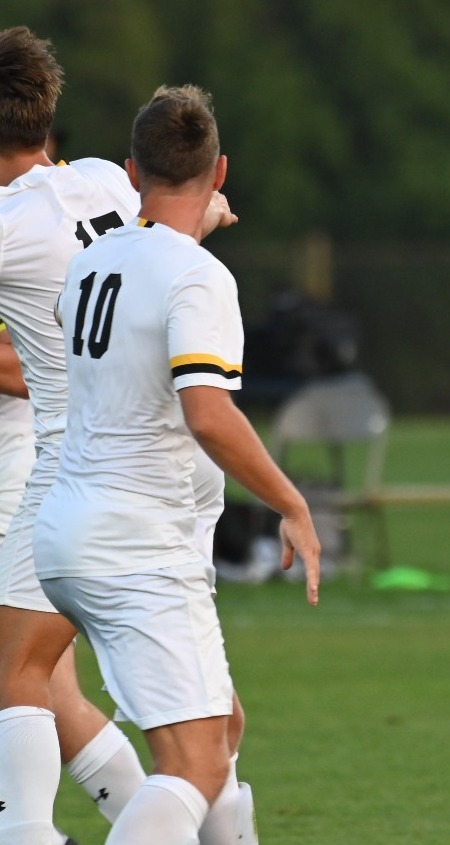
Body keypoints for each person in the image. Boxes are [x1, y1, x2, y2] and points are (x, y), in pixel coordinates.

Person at [34, 84, 321, 845]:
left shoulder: (94, 263)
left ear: (132, 172)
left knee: (220, 727)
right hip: (137, 542)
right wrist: (290, 500)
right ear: (220, 170)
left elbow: (144, 273)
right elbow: (208, 413)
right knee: (193, 760)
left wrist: (189, 238)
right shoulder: (199, 277)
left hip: (68, 528)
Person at [0, 29, 257, 845]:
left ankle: (26, 833)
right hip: (174, 462)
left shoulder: (5, 223)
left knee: (17, 671)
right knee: (202, 714)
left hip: (83, 467)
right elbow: (166, 235)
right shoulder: (106, 180)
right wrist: (208, 213)